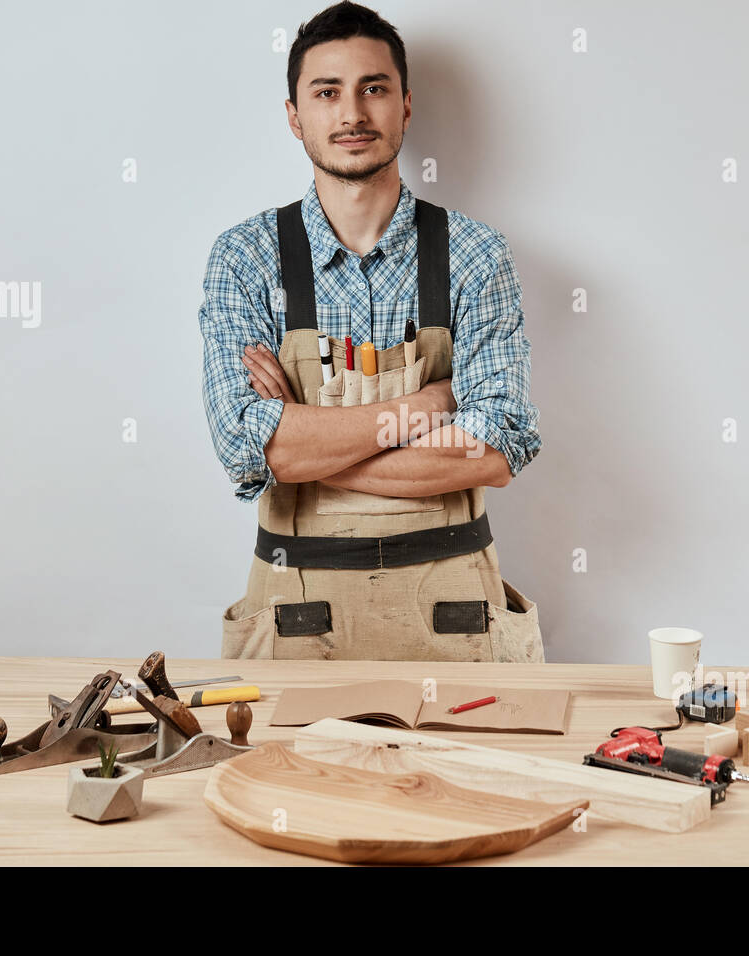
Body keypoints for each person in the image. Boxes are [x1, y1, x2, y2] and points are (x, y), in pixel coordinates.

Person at [198, 2, 542, 661]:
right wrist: (430, 405)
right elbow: (252, 452)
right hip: (294, 618)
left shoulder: (475, 255)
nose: (351, 114)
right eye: (327, 92)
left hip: (456, 622)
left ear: (406, 105)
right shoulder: (244, 258)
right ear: (295, 115)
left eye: (373, 89)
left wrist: (304, 437)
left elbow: (498, 450)